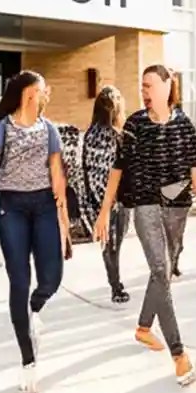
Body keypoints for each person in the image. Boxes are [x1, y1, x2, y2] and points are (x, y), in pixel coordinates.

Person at [93, 65, 196, 388]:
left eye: (149, 85)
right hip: (145, 203)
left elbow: (195, 170)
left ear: (166, 86)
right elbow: (117, 171)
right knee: (160, 270)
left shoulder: (185, 125)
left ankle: (144, 327)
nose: (144, 91)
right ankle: (180, 356)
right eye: (141, 85)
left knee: (164, 273)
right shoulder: (134, 124)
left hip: (177, 205)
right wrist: (104, 212)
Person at [0, 70, 70, 393]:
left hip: (44, 205)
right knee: (19, 279)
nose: (48, 95)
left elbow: (58, 179)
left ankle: (34, 309)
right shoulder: (0, 131)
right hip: (11, 209)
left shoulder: (50, 132)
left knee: (52, 278)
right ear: (31, 94)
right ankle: (28, 361)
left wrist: (65, 223)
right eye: (44, 90)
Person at [80, 86, 131, 304]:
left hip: (94, 199)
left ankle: (115, 284)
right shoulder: (119, 136)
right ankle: (116, 286)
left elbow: (85, 169)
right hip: (115, 200)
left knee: (108, 245)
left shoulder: (89, 135)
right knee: (114, 245)